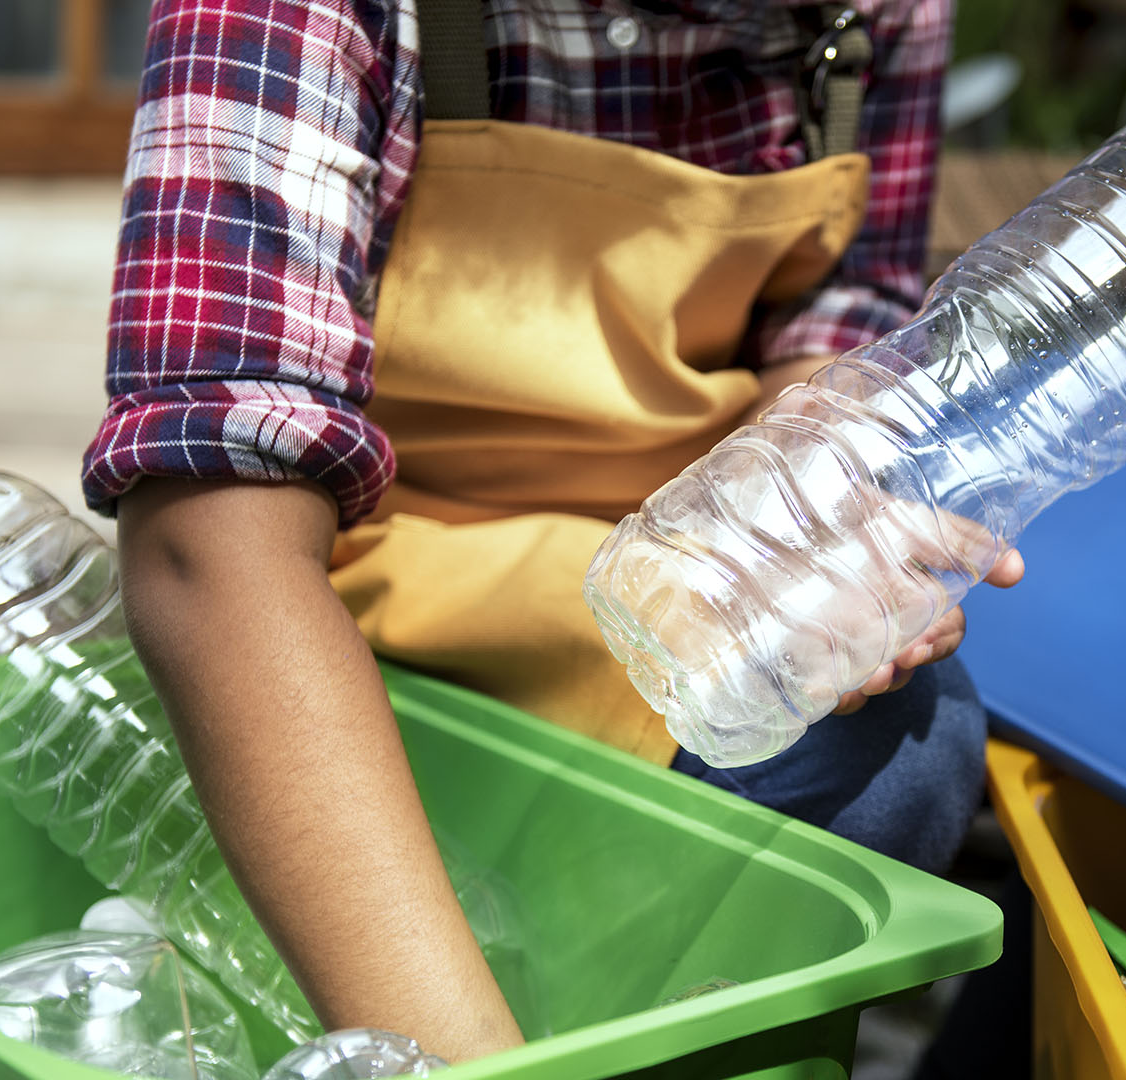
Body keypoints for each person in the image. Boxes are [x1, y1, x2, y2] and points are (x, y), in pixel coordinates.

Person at [82, 0, 1022, 1063]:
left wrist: (814, 517)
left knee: (902, 740)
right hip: (356, 587)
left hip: (668, 574)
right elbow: (207, 542)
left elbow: (841, 311)